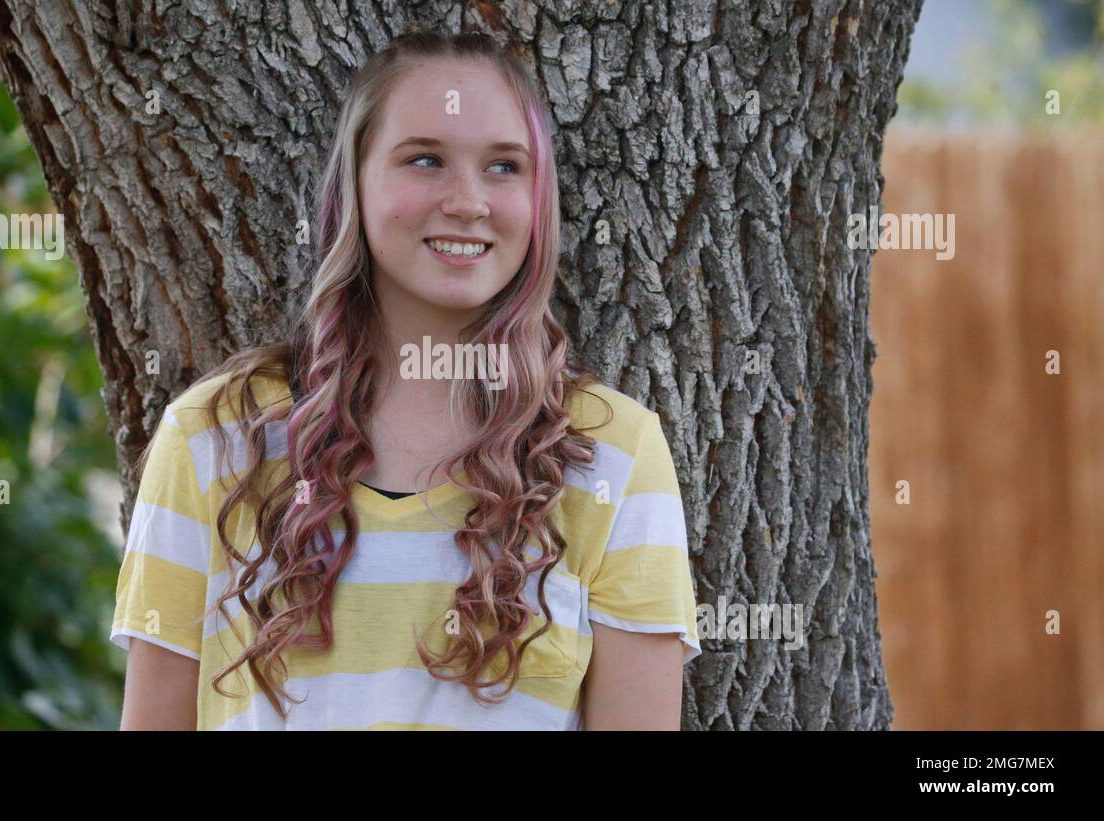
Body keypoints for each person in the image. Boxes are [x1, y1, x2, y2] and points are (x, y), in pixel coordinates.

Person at [111, 30, 700, 731]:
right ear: (354, 182)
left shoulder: (612, 452)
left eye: (505, 167)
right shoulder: (214, 437)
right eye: (426, 159)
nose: (468, 201)